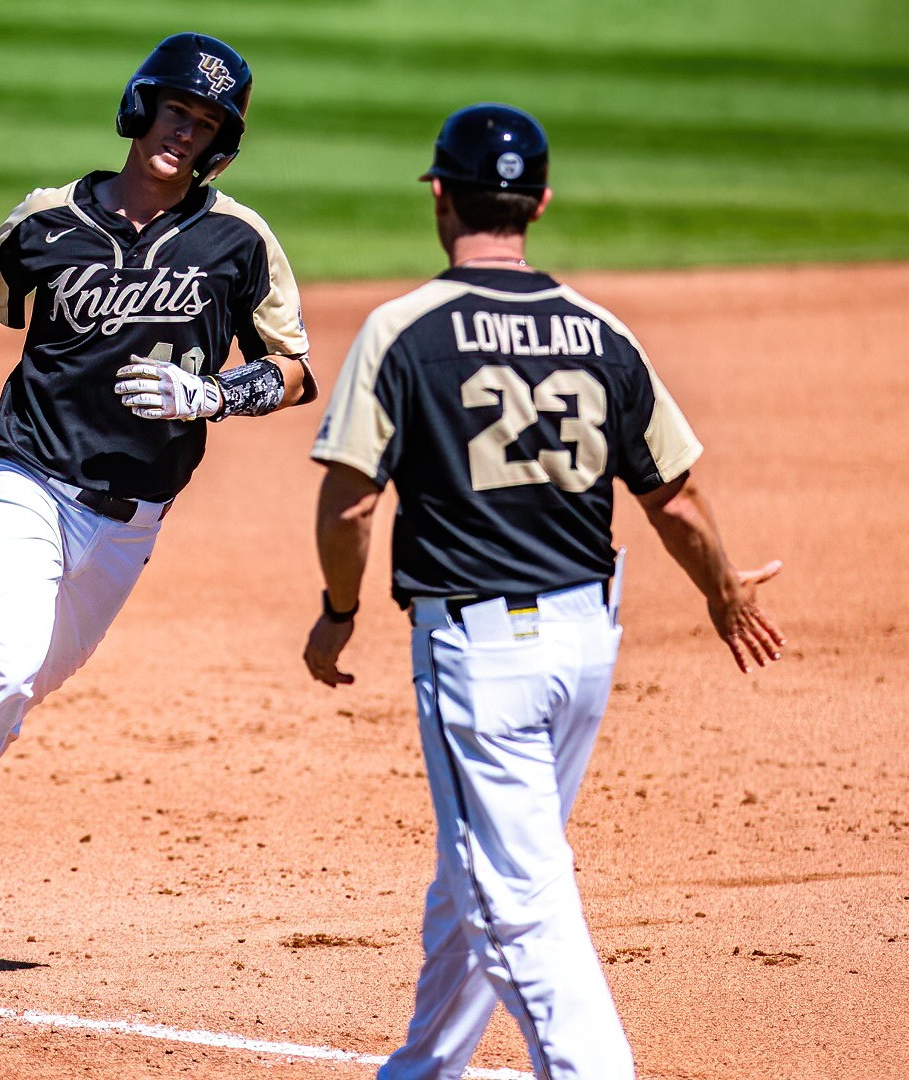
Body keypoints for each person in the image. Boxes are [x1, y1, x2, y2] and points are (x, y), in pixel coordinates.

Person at [302, 103, 784, 1080]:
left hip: (481, 659)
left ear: (441, 197)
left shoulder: (405, 330)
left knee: (514, 892)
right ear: (541, 203)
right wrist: (723, 592)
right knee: (480, 864)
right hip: (585, 650)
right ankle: (426, 1066)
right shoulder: (601, 330)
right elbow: (676, 500)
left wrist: (339, 614)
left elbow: (350, 507)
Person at [0, 31, 315, 953]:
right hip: (22, 475)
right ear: (142, 109)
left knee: (17, 688)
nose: (185, 132)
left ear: (223, 141)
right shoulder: (48, 219)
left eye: (206, 123)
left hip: (130, 522)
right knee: (3, 662)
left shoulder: (238, 240)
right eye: (176, 109)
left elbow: (294, 371)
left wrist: (217, 394)